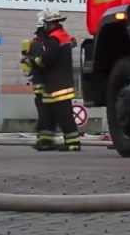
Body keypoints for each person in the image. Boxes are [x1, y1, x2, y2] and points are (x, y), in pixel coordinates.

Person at [33, 9, 81, 152]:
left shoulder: (54, 39)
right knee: (48, 115)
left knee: (64, 115)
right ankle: (47, 142)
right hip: (56, 84)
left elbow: (48, 60)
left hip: (57, 85)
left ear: (50, 24)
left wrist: (35, 60)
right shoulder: (62, 36)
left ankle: (73, 143)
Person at [21, 19, 50, 149]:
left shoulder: (33, 44)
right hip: (45, 84)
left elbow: (30, 64)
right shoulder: (43, 44)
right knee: (45, 111)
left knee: (42, 110)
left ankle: (43, 136)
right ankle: (44, 137)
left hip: (38, 83)